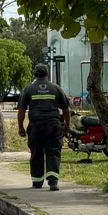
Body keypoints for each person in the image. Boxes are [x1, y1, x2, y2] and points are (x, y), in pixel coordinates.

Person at [17, 63, 71, 191]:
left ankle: (37, 182)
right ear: (47, 74)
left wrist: (21, 127)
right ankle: (53, 182)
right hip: (53, 125)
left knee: (36, 152)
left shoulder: (29, 89)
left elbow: (21, 110)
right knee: (53, 152)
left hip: (36, 126)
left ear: (34, 74)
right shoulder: (56, 88)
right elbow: (66, 109)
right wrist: (67, 125)